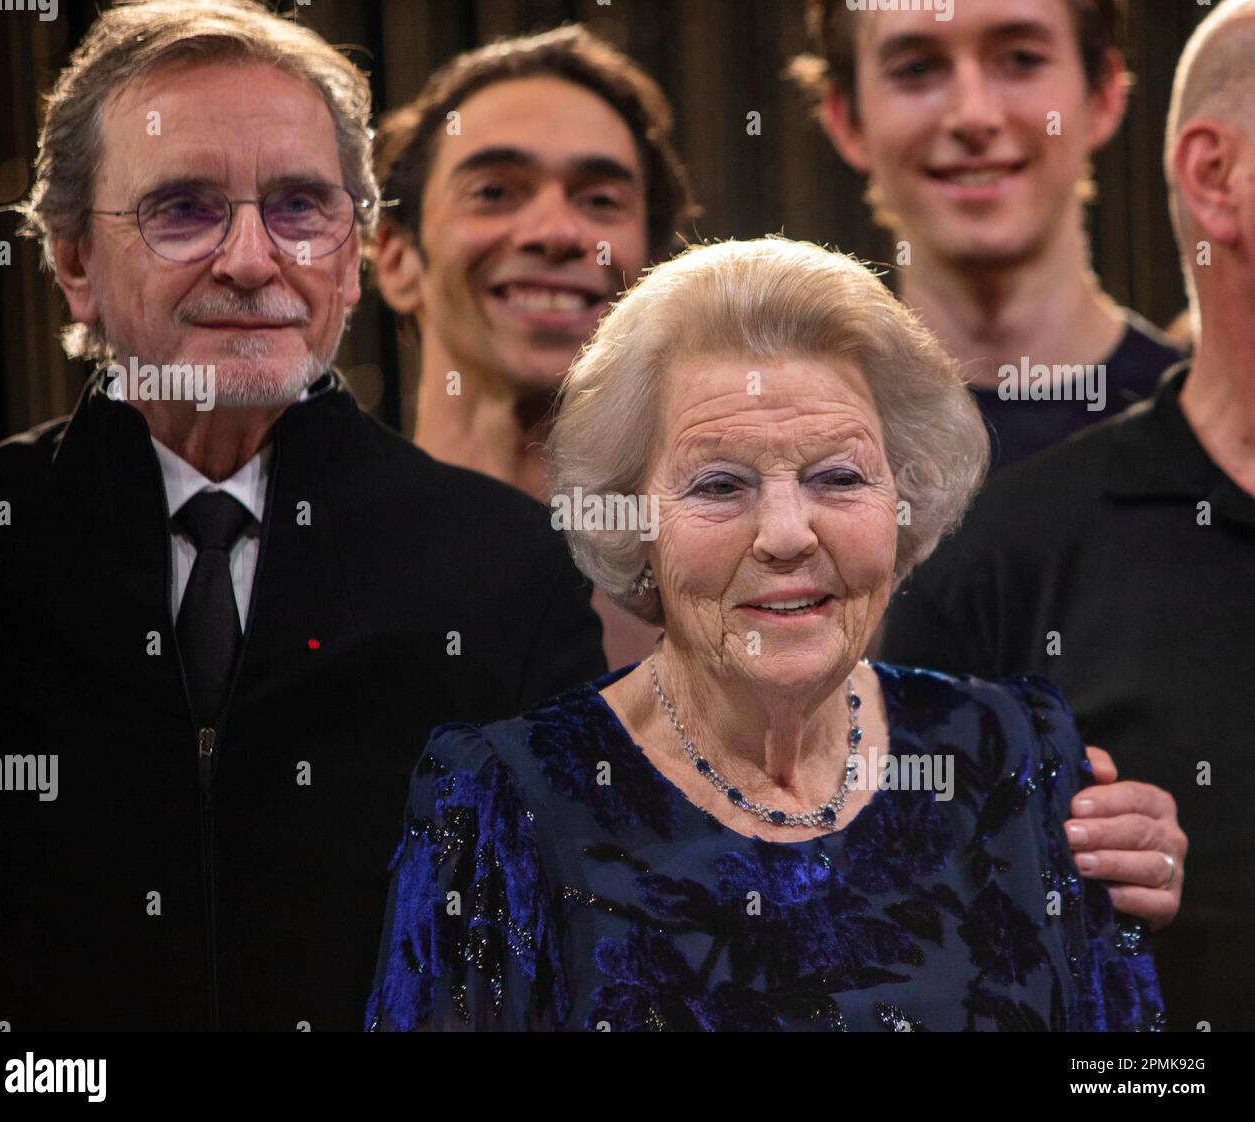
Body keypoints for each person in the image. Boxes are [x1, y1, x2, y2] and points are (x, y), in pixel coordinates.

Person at [0, 0, 603, 1031]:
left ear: (353, 256)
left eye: (300, 207)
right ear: (73, 261)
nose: (252, 261)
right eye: (184, 209)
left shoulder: (510, 571)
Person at [364, 238, 1164, 1032]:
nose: (786, 534)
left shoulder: (1013, 753)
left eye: (838, 477)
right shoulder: (505, 807)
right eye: (719, 485)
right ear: (634, 521)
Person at [882, 0, 1255, 1030]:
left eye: (1016, 58)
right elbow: (882, 948)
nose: (973, 113)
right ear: (1217, 174)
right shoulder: (997, 558)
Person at [372, 25, 694, 668]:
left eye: (600, 200)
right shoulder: (306, 568)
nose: (556, 232)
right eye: (494, 192)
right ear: (397, 258)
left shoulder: (739, 587)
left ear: (656, 274)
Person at [790, 0, 1184, 473]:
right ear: (845, 118)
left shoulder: (1214, 432)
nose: (974, 117)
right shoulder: (798, 442)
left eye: (1021, 59)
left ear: (1103, 94)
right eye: (917, 68)